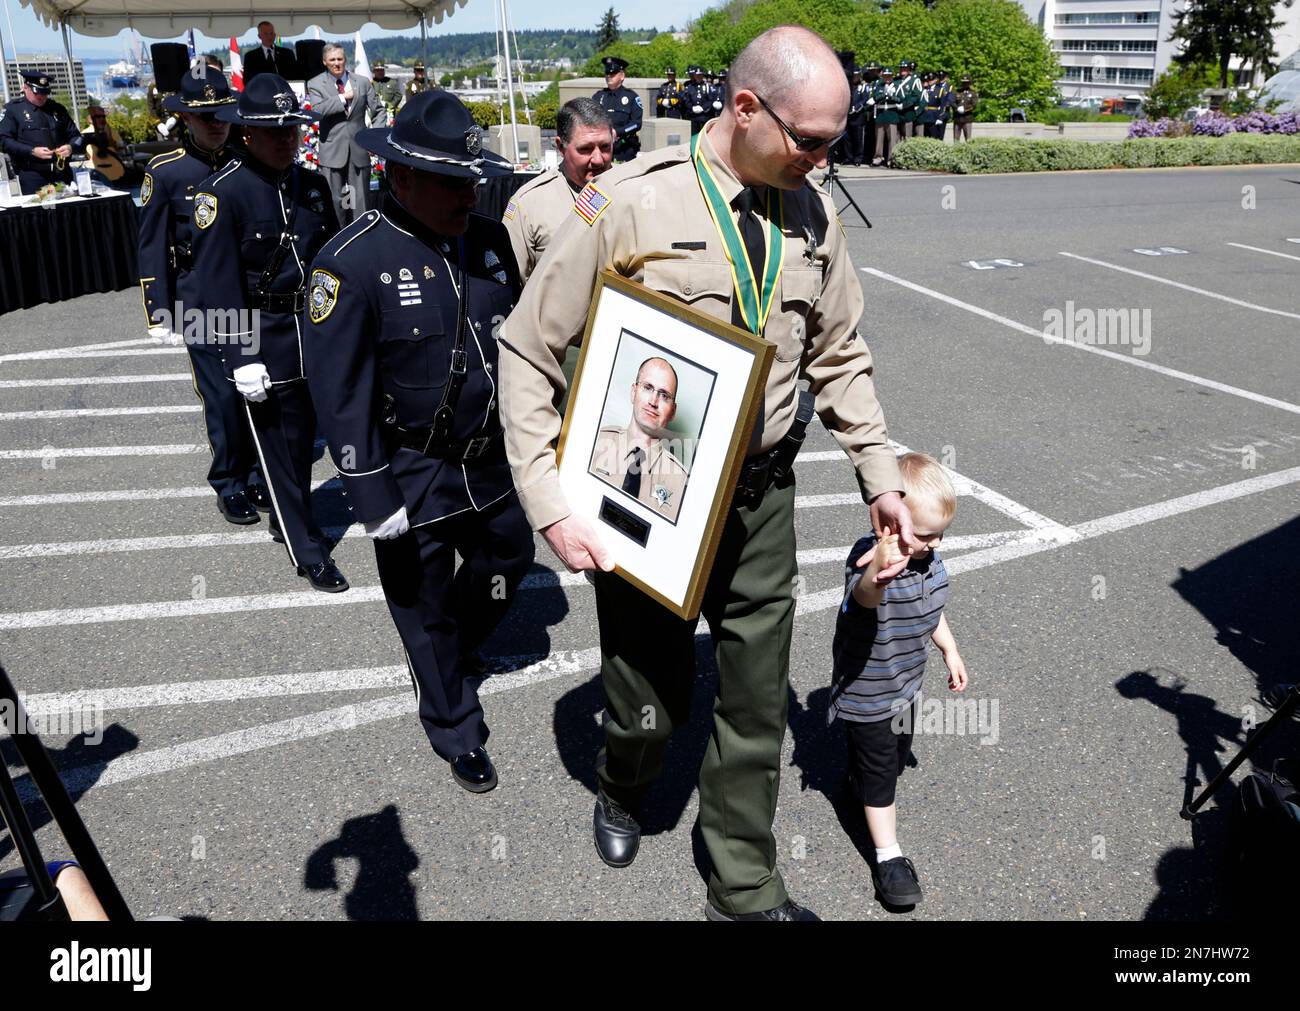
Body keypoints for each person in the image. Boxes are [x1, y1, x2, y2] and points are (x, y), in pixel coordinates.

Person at [498, 24, 918, 922]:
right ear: (743, 108)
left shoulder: (813, 211)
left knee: (757, 693)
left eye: (833, 142)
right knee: (648, 689)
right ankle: (623, 780)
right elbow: (529, 349)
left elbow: (840, 355)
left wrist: (878, 474)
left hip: (762, 494)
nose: (822, 158)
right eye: (807, 139)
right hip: (649, 488)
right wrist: (550, 501)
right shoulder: (629, 205)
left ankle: (741, 881)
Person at [303, 91, 535, 794]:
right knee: (424, 604)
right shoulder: (351, 262)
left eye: (473, 181)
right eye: (452, 183)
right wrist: (370, 491)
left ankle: (449, 648)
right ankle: (453, 720)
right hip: (409, 468)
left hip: (489, 459)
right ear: (401, 177)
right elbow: (339, 394)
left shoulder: (489, 241)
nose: (470, 195)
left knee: (509, 556)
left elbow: (521, 344)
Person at [190, 74, 349, 593]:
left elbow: (330, 260)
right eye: (273, 130)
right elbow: (217, 284)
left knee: (303, 440)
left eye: (291, 128)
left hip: (312, 329)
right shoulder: (222, 193)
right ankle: (306, 547)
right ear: (248, 133)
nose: (285, 138)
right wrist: (240, 356)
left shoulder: (310, 186)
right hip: (262, 334)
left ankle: (289, 513)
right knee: (279, 444)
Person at [831, 452, 967, 907]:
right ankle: (889, 858)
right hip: (869, 694)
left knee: (894, 756)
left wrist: (948, 649)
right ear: (890, 524)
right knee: (881, 775)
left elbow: (933, 609)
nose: (935, 543)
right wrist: (876, 573)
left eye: (940, 533)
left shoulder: (929, 562)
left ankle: (860, 779)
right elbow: (864, 597)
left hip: (907, 686)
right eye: (926, 534)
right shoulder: (871, 561)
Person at [137, 64, 268, 527]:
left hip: (249, 297)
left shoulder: (246, 162)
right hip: (198, 302)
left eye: (221, 114)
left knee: (259, 392)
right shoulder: (167, 172)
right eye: (204, 116)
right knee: (222, 397)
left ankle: (258, 474)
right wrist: (159, 312)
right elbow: (152, 245)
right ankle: (230, 482)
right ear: (186, 120)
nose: (215, 123)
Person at [503, 97, 613, 283]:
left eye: (605, 147)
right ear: (561, 146)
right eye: (585, 149)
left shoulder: (631, 190)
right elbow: (509, 282)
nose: (598, 159)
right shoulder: (528, 204)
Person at [589, 357, 689, 523]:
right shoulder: (595, 440)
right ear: (633, 392)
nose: (653, 402)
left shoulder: (680, 481)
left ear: (672, 411)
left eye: (664, 395)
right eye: (648, 388)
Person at [307, 43, 385, 224]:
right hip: (332, 151)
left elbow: (379, 110)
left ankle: (362, 239)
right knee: (335, 202)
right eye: (332, 60)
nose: (336, 63)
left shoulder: (363, 82)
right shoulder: (315, 83)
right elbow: (318, 110)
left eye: (340, 59)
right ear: (324, 62)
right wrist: (343, 97)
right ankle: (337, 241)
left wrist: (374, 138)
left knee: (361, 202)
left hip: (359, 150)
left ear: (345, 60)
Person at [0, 69, 84, 194]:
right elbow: (4, 141)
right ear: (26, 88)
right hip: (33, 176)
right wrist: (32, 151)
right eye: (37, 92)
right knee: (40, 212)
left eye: (45, 93)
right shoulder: (14, 110)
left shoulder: (58, 109)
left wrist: (70, 147)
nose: (41, 96)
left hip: (62, 173)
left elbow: (77, 137)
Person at [592, 55, 642, 163]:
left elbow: (636, 123)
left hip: (624, 150)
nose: (609, 76)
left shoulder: (631, 97)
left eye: (613, 74)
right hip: (602, 151)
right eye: (607, 74)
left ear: (622, 76)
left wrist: (618, 132)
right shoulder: (598, 97)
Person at [871, 66, 899, 166]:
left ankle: (891, 159)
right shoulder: (879, 85)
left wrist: (891, 97)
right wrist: (883, 96)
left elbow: (900, 98)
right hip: (881, 114)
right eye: (885, 76)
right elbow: (875, 97)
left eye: (889, 76)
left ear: (892, 76)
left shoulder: (897, 85)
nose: (887, 78)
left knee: (892, 139)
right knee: (879, 138)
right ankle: (878, 157)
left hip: (891, 114)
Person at [844, 66, 869, 165]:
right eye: (854, 75)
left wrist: (856, 108)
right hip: (848, 116)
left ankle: (858, 158)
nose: (855, 77)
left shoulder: (863, 86)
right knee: (846, 138)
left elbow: (865, 99)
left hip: (858, 117)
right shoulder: (848, 85)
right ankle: (848, 157)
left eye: (857, 75)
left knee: (858, 138)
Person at [896, 60, 924, 142]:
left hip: (908, 112)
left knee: (907, 138)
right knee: (897, 138)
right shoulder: (896, 80)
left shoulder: (914, 80)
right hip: (896, 113)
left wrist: (904, 105)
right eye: (901, 68)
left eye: (905, 68)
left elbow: (916, 97)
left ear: (908, 69)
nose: (902, 70)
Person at [682, 65, 713, 136]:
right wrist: (692, 108)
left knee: (704, 136)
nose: (698, 76)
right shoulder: (690, 87)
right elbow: (687, 100)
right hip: (693, 117)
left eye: (700, 75)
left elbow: (710, 100)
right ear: (694, 76)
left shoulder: (707, 86)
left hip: (704, 116)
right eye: (697, 75)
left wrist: (703, 108)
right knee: (694, 136)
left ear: (702, 75)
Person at [953, 75, 978, 143]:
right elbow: (952, 102)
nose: (964, 84)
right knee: (956, 139)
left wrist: (965, 109)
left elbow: (974, 104)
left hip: (967, 118)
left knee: (968, 139)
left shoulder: (972, 93)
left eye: (966, 82)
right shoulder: (957, 92)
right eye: (963, 82)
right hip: (957, 118)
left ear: (969, 83)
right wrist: (956, 108)